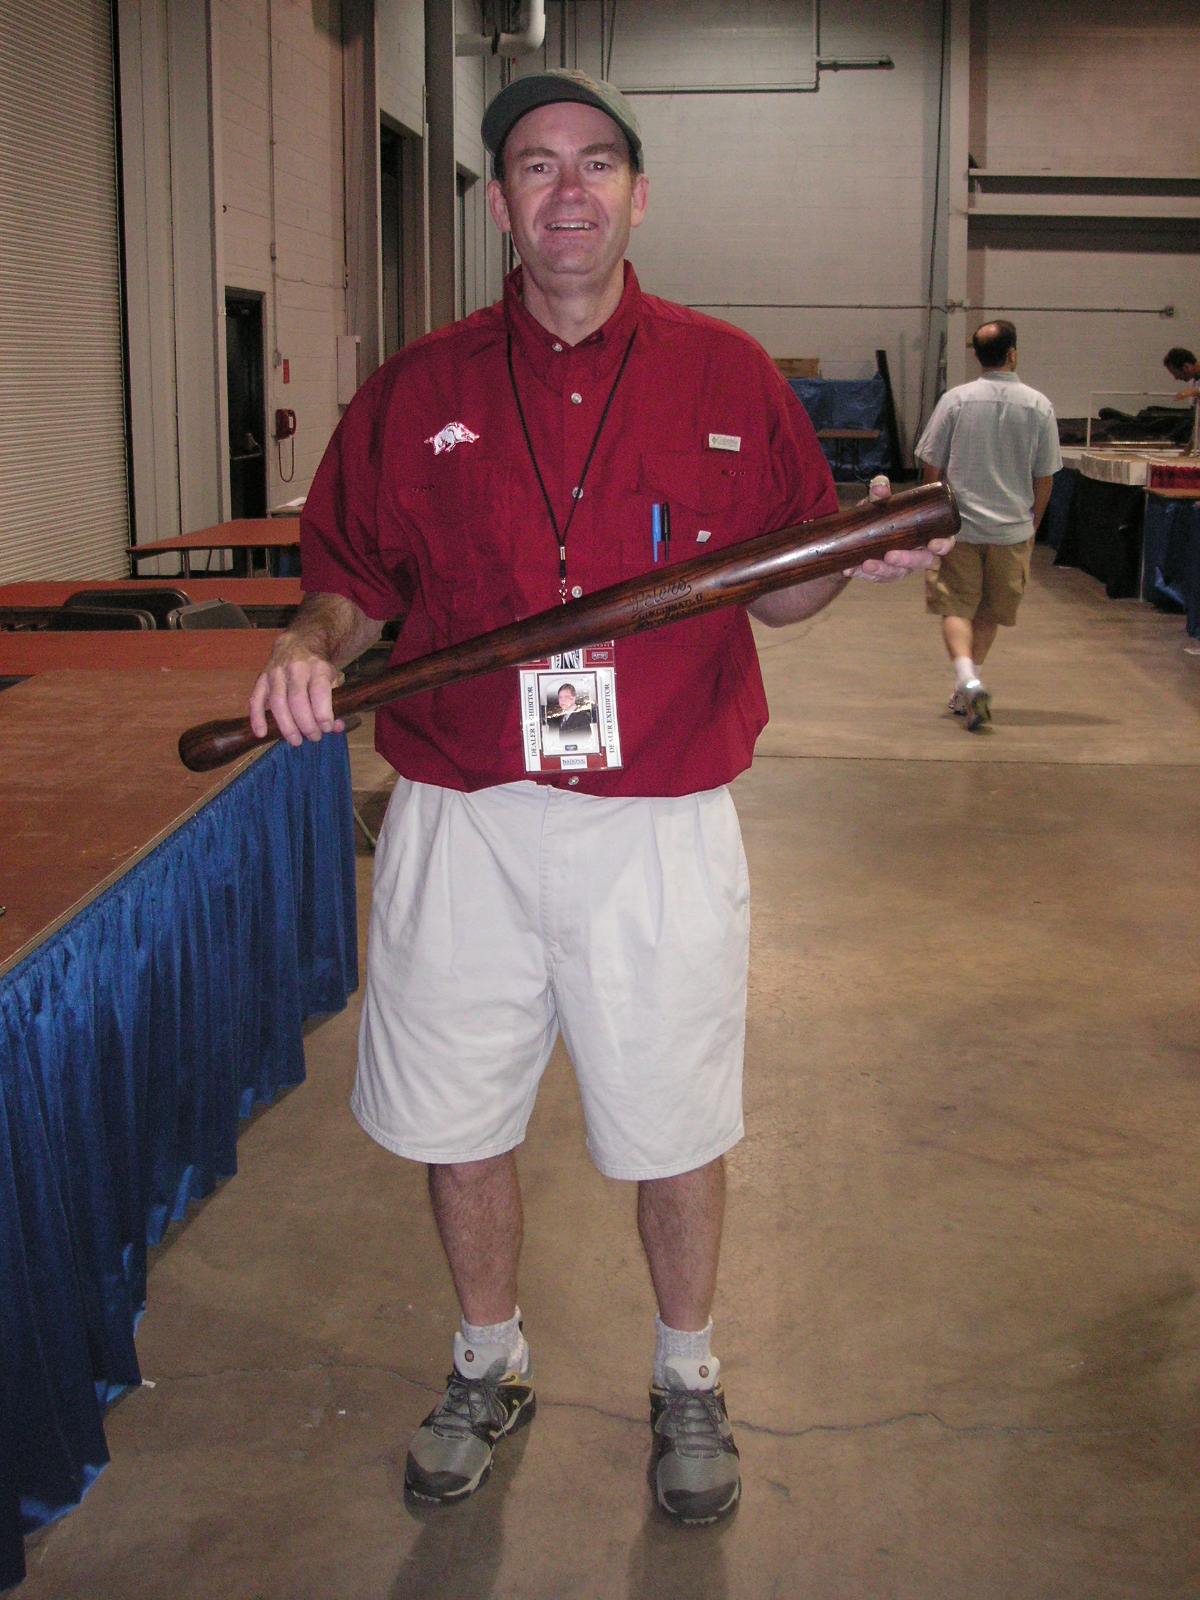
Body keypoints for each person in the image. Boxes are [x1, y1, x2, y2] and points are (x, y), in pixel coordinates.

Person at [248, 68, 951, 1526]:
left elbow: (786, 591)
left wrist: (850, 561)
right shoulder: (418, 390)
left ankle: (687, 1371)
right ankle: (486, 1357)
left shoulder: (727, 376)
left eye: (597, 163)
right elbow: (350, 581)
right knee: (461, 1115)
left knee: (672, 1120)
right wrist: (307, 648)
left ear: (639, 193)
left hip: (661, 820)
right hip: (464, 811)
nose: (568, 189)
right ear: (500, 203)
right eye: (535, 166)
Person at [916, 320, 1061, 731]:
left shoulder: (956, 400)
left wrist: (932, 512)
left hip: (958, 527)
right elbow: (1045, 475)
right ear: (1013, 353)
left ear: (977, 356)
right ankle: (968, 684)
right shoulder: (1038, 406)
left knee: (955, 606)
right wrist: (1033, 523)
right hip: (1012, 530)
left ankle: (967, 681)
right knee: (989, 613)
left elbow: (932, 461)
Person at [1162, 346, 1200, 455]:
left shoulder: (1194, 388)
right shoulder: (1194, 382)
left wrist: (1194, 392)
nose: (1176, 378)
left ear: (1186, 367)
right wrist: (1189, 448)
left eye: (1175, 373)